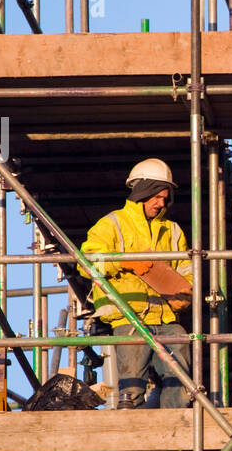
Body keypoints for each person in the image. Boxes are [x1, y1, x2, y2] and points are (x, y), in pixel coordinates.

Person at [80, 158, 193, 408]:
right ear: (143, 191)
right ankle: (136, 433)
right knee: (132, 388)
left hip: (165, 321)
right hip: (128, 318)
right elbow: (85, 263)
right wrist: (125, 262)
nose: (162, 203)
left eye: (166, 197)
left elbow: (187, 273)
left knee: (180, 379)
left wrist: (184, 294)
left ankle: (174, 430)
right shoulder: (113, 224)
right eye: (157, 196)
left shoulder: (173, 231)